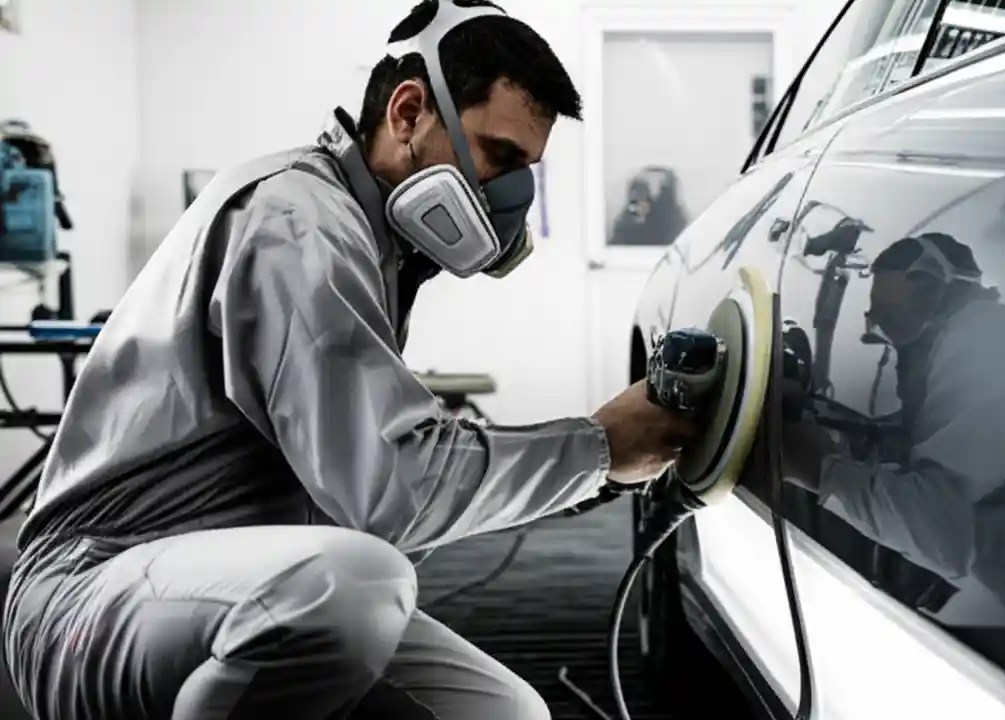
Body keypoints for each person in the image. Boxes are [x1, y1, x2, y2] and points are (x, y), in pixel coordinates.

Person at [2, 2, 695, 719]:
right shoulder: (300, 222)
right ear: (407, 112)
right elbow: (386, 491)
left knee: (506, 713)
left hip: (223, 582)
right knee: (355, 586)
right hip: (90, 594)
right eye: (501, 157)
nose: (510, 198)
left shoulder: (369, 242)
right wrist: (599, 447)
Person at [788, 233, 1005, 636]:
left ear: (937, 289)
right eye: (879, 324)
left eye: (895, 318)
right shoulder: (978, 343)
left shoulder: (991, 338)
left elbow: (939, 526)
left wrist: (814, 466)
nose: (892, 339)